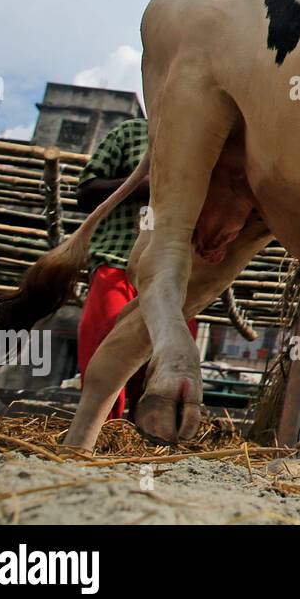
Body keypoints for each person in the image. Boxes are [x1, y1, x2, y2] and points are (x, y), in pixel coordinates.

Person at [75, 116, 197, 419]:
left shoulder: (207, 137)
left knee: (167, 364)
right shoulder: (132, 131)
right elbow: (86, 191)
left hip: (179, 275)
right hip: (118, 259)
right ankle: (102, 431)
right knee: (104, 350)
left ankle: (143, 438)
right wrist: (141, 186)